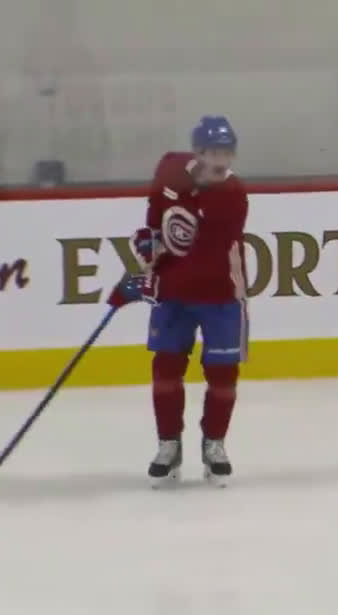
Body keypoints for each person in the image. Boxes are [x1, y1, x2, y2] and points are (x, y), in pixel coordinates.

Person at [109, 115, 249, 489]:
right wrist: (145, 247)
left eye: (227, 151)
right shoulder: (170, 170)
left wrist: (149, 278)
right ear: (199, 152)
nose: (222, 159)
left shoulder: (232, 198)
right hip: (174, 296)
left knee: (222, 375)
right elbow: (155, 225)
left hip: (220, 293)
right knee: (166, 369)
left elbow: (195, 252)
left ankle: (214, 444)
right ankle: (168, 445)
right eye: (214, 151)